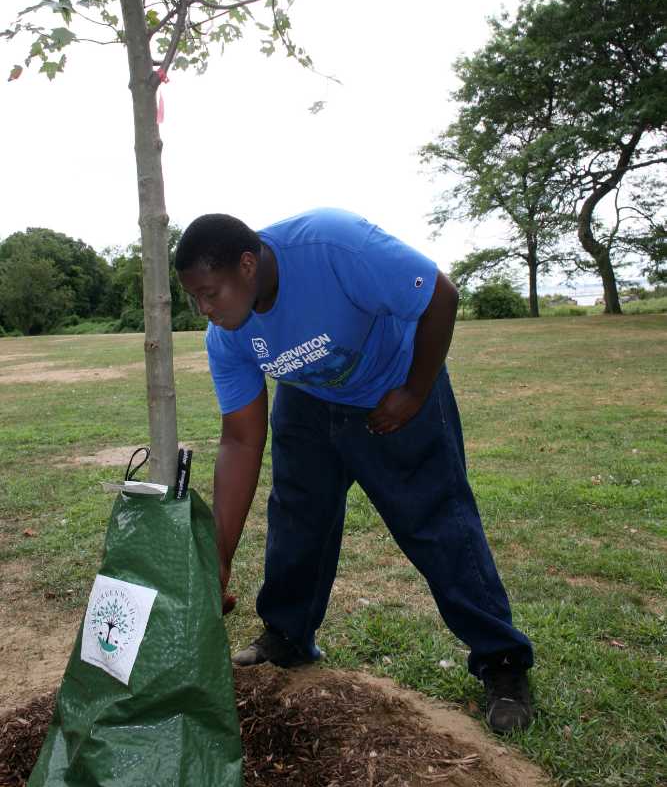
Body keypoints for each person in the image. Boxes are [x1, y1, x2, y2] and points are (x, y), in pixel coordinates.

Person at [175, 207, 534, 733]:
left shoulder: (333, 246)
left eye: (212, 293)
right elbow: (240, 438)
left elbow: (441, 294)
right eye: (194, 298)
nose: (204, 309)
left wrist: (414, 391)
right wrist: (219, 559)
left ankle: (502, 661)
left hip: (394, 384)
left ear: (248, 265)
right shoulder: (227, 337)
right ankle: (287, 635)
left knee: (435, 521)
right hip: (308, 399)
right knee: (298, 517)